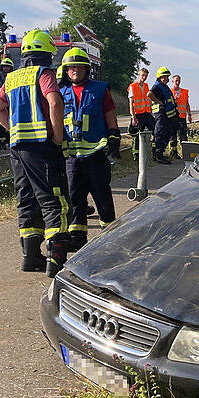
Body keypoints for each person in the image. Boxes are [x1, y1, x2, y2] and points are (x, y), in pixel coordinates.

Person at [0, 29, 71, 276]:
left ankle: (30, 257)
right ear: (47, 53)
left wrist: (13, 129)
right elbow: (55, 102)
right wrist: (57, 137)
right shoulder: (44, 73)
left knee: (26, 200)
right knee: (53, 199)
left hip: (17, 147)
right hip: (42, 146)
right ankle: (55, 261)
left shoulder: (11, 78)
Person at [60, 48, 120, 251]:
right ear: (66, 71)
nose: (75, 70)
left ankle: (109, 236)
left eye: (79, 66)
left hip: (95, 155)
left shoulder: (100, 89)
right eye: (71, 67)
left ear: (87, 69)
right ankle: (78, 238)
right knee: (75, 198)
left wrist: (113, 136)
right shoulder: (61, 92)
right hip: (72, 157)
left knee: (102, 195)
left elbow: (109, 114)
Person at [149, 66, 178, 164]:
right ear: (159, 77)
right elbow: (149, 94)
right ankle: (158, 156)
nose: (166, 78)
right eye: (163, 77)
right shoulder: (157, 86)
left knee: (166, 133)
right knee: (160, 134)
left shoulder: (164, 86)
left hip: (166, 115)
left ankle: (159, 154)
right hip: (160, 114)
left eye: (167, 77)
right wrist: (159, 102)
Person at [127, 67, 154, 161]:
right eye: (143, 75)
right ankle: (136, 154)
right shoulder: (133, 86)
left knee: (155, 130)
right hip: (138, 114)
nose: (144, 77)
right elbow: (131, 103)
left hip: (146, 113)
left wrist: (151, 110)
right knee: (137, 135)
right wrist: (133, 117)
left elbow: (148, 99)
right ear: (139, 75)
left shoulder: (146, 86)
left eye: (146, 76)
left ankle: (154, 151)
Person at [169, 74, 191, 159]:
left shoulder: (184, 92)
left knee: (183, 136)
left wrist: (189, 114)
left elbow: (187, 104)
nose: (177, 82)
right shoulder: (169, 92)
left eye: (178, 81)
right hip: (173, 117)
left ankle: (185, 153)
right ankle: (173, 152)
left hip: (182, 117)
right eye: (176, 81)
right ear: (172, 81)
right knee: (173, 135)